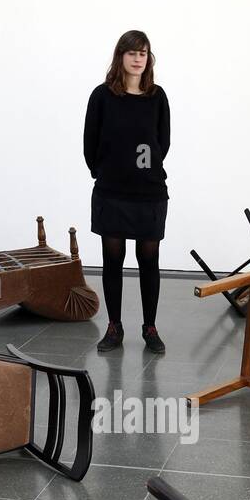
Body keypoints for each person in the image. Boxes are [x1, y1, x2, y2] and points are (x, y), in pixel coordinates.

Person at [82, 29, 170, 354]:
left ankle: (150, 327)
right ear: (121, 56)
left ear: (148, 60)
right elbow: (90, 145)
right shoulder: (102, 96)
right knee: (112, 259)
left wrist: (142, 171)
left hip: (149, 193)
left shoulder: (157, 97)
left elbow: (163, 143)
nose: (137, 58)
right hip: (111, 192)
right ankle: (114, 327)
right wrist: (105, 172)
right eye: (132, 52)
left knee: (149, 258)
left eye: (143, 53)